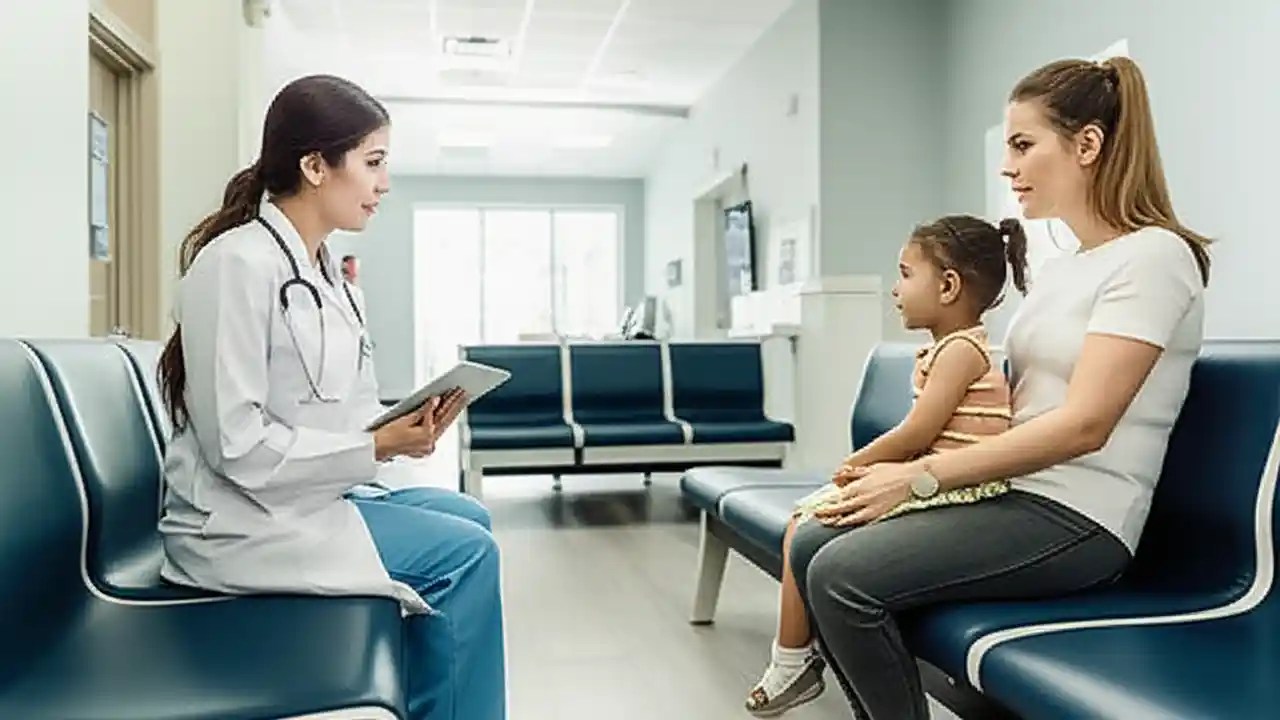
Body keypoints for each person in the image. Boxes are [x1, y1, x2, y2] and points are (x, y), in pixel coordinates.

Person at [788, 55, 1209, 720]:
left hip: (1083, 517)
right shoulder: (1067, 265)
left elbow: (1083, 426)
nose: (1006, 165)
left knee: (842, 576)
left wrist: (921, 476)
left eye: (1022, 144)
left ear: (1088, 145)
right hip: (1015, 496)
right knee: (815, 538)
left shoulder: (1155, 256)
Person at [155, 74, 506, 720]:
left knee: (471, 520)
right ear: (314, 165)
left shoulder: (328, 276)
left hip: (302, 497)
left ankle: (428, 704)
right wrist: (371, 445)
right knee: (467, 554)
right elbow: (237, 446)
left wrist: (403, 430)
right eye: (373, 163)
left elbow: (338, 412)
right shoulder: (235, 266)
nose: (385, 184)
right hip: (237, 525)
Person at [746, 214, 1030, 716]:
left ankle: (792, 661)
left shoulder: (962, 351)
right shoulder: (947, 349)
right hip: (935, 480)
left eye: (904, 274)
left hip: (958, 490)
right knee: (802, 527)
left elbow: (918, 432)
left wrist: (860, 460)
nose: (895, 289)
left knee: (807, 525)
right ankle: (793, 658)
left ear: (947, 286)